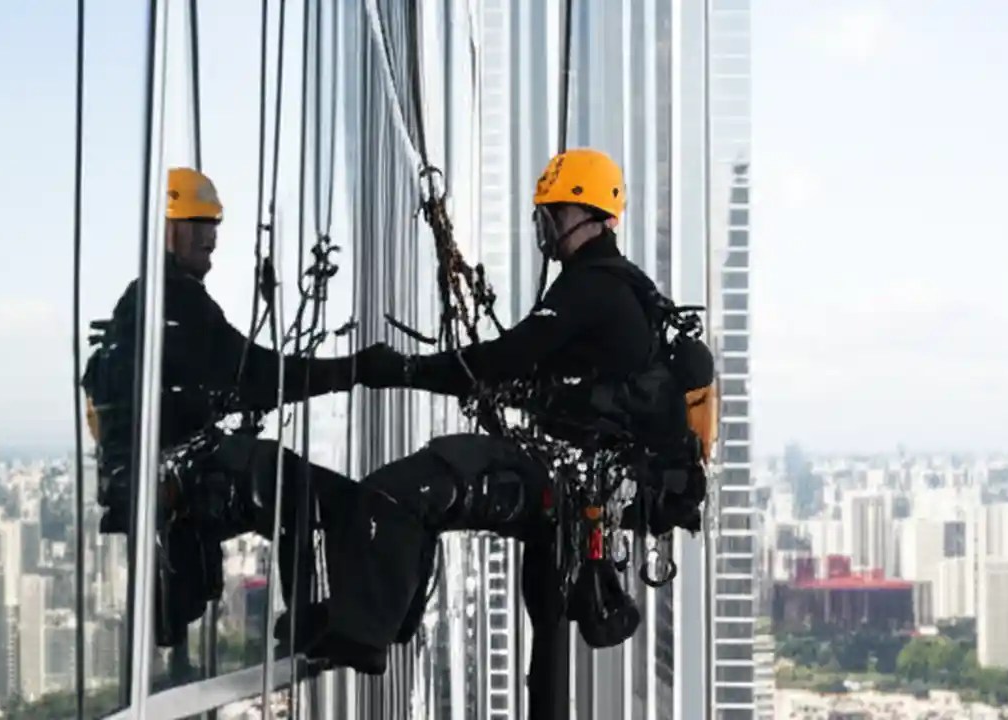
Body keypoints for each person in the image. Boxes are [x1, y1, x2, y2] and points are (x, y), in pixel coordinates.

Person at [286, 148, 714, 671]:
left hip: (565, 479)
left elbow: (502, 360)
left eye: (551, 213)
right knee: (434, 505)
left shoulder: (591, 287)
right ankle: (373, 624)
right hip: (583, 484)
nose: (544, 226)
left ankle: (363, 634)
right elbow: (539, 374)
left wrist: (405, 371)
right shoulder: (622, 285)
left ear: (585, 213)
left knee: (401, 492)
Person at [81, 166, 406, 649]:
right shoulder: (179, 301)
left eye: (213, 225)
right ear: (168, 229)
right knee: (319, 495)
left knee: (266, 497)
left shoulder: (139, 302)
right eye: (198, 224)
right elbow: (259, 375)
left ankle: (225, 621)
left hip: (155, 474)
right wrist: (354, 369)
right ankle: (316, 624)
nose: (211, 239)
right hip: (182, 472)